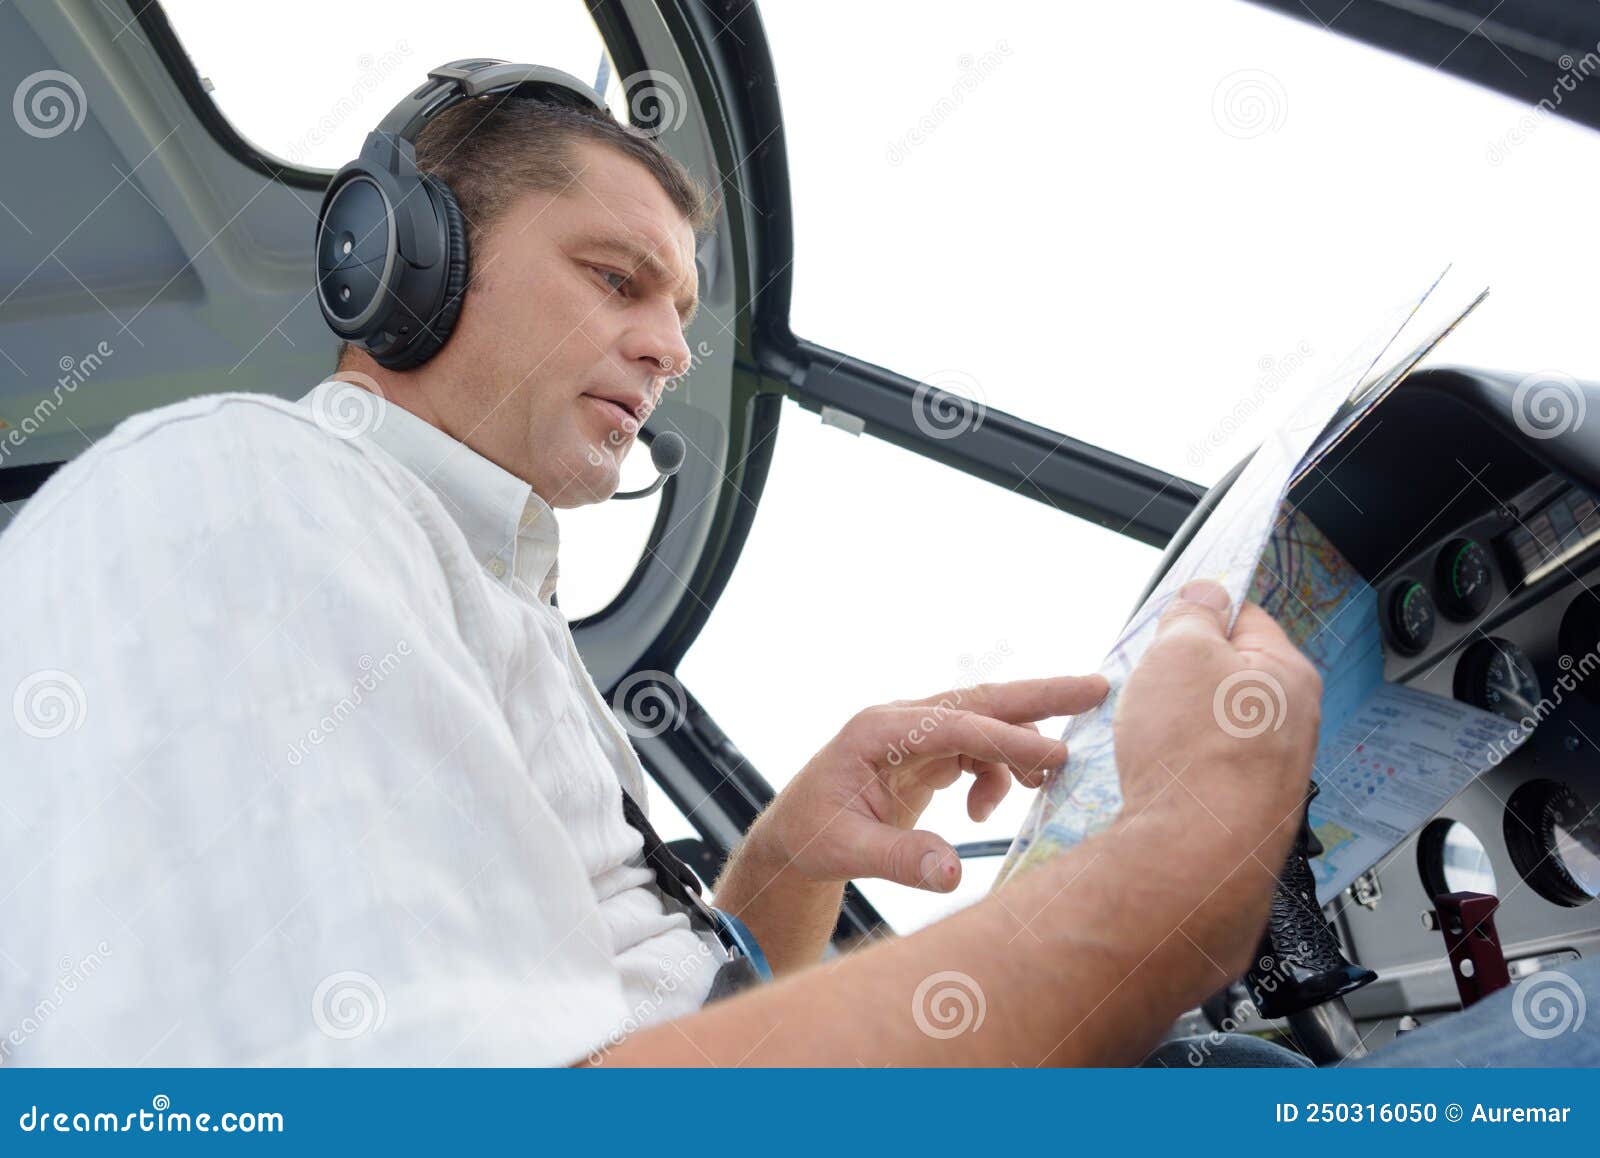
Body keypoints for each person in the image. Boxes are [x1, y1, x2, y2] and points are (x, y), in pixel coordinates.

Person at [0, 81, 1580, 1068]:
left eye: (680, 312)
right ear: (393, 262)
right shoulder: (230, 502)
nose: (667, 348)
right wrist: (1169, 878)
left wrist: (773, 879)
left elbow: (604, 1027)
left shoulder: (493, 608)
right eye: (615, 278)